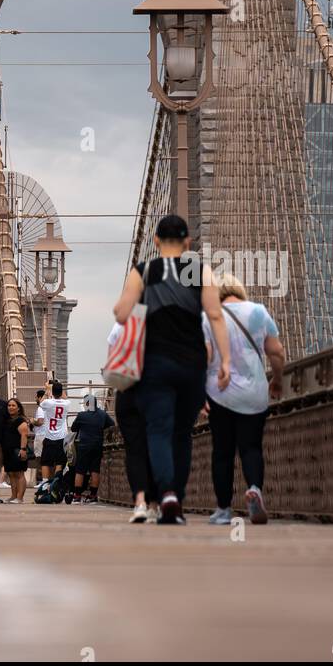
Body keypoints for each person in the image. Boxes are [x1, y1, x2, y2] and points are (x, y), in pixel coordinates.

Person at [114, 213, 230, 525]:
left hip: (155, 364)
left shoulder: (145, 271)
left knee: (159, 429)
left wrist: (143, 301)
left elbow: (122, 313)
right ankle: (175, 497)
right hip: (192, 365)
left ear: (154, 241)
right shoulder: (197, 270)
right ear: (187, 242)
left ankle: (165, 494)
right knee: (182, 433)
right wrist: (226, 360)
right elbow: (216, 316)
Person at [203, 274, 285, 525]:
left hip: (220, 392)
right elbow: (276, 351)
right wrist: (278, 380)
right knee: (251, 447)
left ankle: (224, 509)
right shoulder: (258, 312)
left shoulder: (208, 317)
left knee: (222, 452)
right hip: (254, 392)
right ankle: (254, 489)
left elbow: (203, 357)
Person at [106, 325, 158, 523]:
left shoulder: (122, 325)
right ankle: (155, 504)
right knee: (157, 448)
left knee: (135, 451)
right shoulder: (168, 319)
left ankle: (140, 503)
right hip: (157, 392)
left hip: (127, 391)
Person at [69, 393, 114, 503]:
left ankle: (77, 496)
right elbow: (112, 424)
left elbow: (74, 429)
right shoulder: (103, 415)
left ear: (88, 403)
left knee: (80, 471)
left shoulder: (81, 415)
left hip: (84, 446)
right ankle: (93, 496)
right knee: (95, 470)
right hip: (98, 445)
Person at [38, 380, 74, 481]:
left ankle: (44, 483)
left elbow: (41, 403)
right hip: (61, 437)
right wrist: (58, 386)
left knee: (45, 462)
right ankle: (56, 482)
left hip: (49, 436)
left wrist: (47, 389)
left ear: (52, 392)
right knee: (59, 462)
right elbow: (65, 397)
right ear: (61, 391)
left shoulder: (47, 402)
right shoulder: (67, 403)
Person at [2, 398, 30, 502]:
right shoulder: (7, 420)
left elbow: (24, 435)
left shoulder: (21, 420)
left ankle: (20, 498)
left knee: (19, 474)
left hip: (17, 450)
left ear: (18, 408)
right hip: (8, 451)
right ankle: (13, 496)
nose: (10, 407)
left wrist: (23, 449)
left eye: (13, 405)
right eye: (9, 405)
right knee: (11, 474)